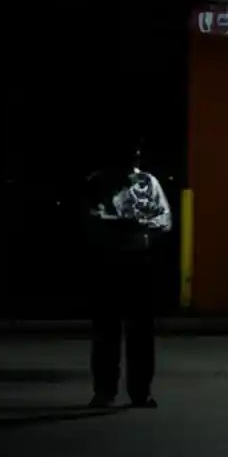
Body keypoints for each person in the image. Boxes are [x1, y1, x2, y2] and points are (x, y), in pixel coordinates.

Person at [81, 137, 172, 408]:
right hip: (108, 262)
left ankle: (140, 391)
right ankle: (105, 390)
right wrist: (113, 234)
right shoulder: (97, 182)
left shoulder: (146, 182)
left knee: (140, 332)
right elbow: (88, 219)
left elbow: (162, 217)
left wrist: (145, 235)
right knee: (107, 330)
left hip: (138, 262)